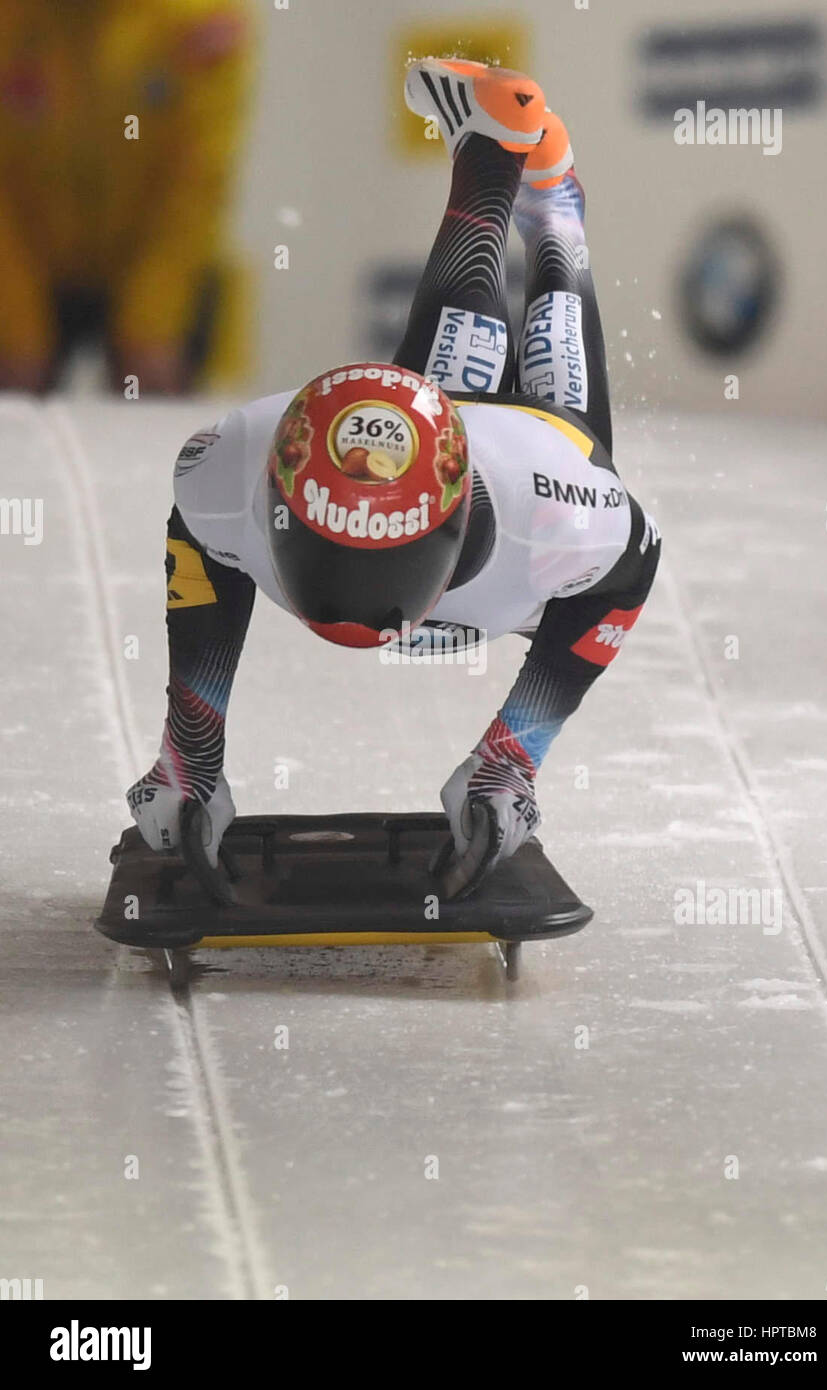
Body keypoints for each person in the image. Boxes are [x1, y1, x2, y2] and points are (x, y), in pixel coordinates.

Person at [126, 58, 661, 896]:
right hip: (448, 444)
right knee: (440, 385)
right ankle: (498, 152)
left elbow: (631, 570)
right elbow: (202, 543)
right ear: (274, 503)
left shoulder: (560, 507)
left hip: (531, 452)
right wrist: (190, 757)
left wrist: (508, 758)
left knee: (562, 399)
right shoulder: (228, 466)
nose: (349, 596)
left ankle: (550, 202)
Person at [0, 0, 250, 394]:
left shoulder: (202, 18)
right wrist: (16, 326)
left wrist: (153, 320)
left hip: (158, 263)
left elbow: (197, 182)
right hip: (23, 265)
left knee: (161, 424)